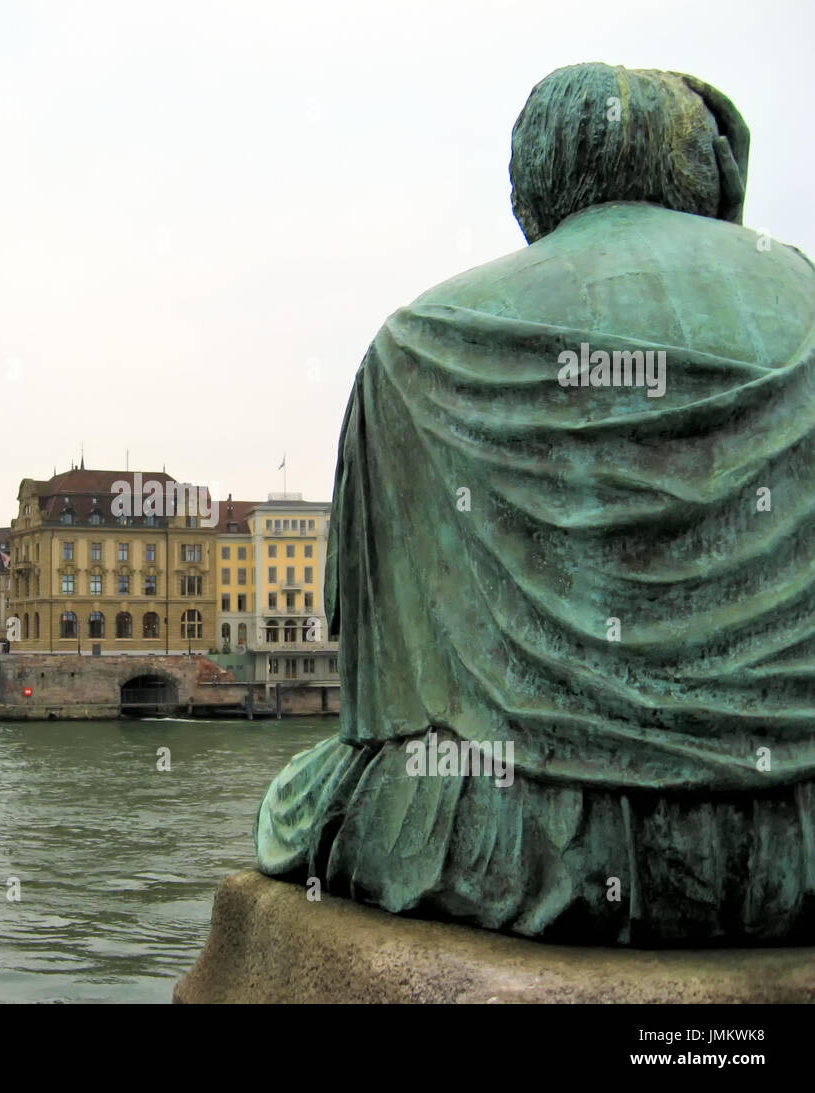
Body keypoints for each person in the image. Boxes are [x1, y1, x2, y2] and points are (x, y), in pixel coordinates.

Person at [256, 63, 815, 945]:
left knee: (325, 794)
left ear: (536, 179)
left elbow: (371, 683)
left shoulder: (416, 344)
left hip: (514, 843)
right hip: (798, 845)